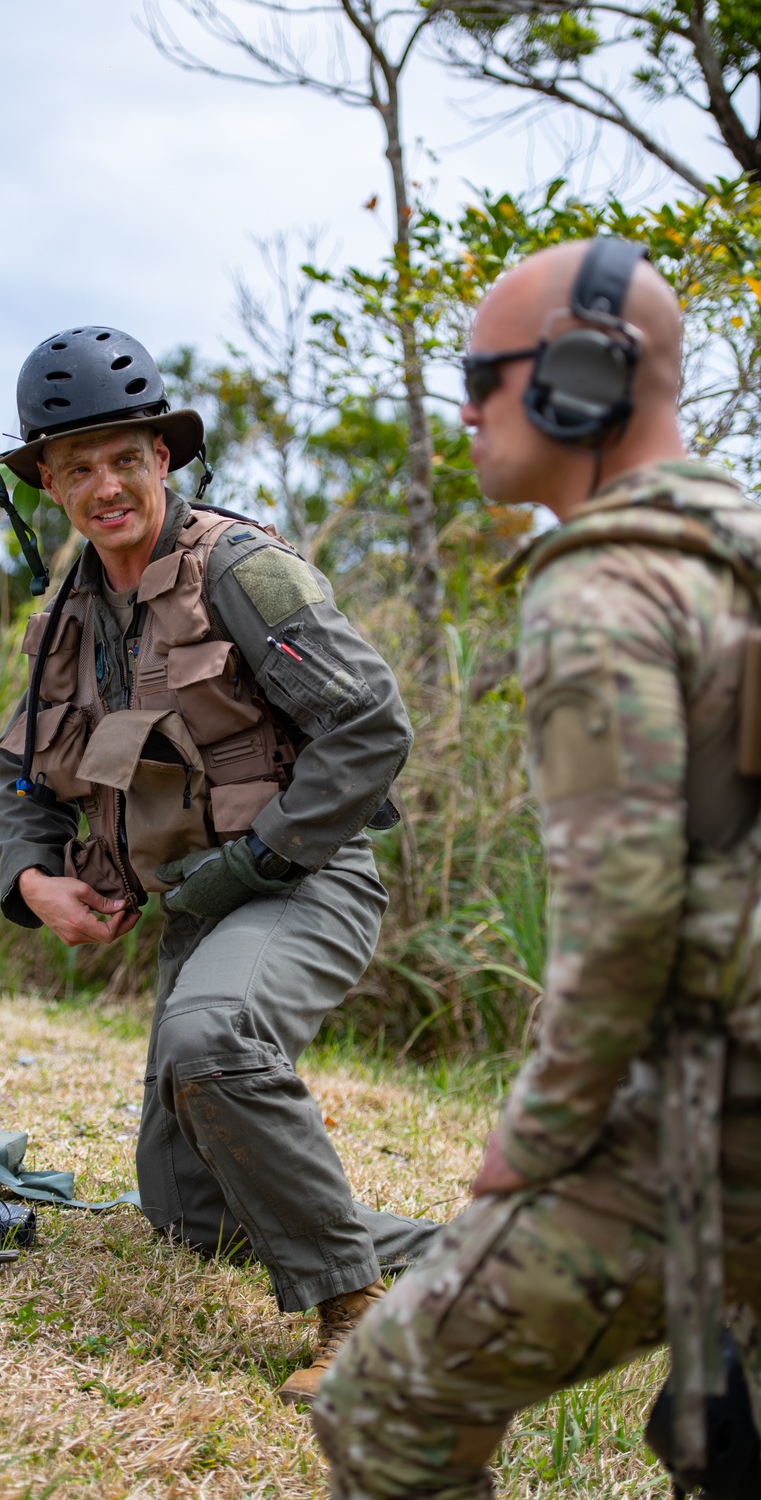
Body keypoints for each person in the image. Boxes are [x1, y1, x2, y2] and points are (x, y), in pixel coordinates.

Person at [313, 237, 761, 1496]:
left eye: (481, 375)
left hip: (722, 1114)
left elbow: (624, 914)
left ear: (580, 375)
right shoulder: (736, 556)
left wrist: (536, 1134)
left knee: (387, 1402)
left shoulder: (605, 585)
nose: (463, 409)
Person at [0, 326, 437, 1405]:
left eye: (125, 458)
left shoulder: (239, 568)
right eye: (79, 467)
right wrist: (35, 880)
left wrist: (258, 861)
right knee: (192, 1216)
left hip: (306, 877)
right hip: (200, 910)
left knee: (211, 1039)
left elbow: (371, 725)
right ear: (48, 482)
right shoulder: (71, 613)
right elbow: (22, 777)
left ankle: (355, 1312)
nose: (106, 486)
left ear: (163, 456)